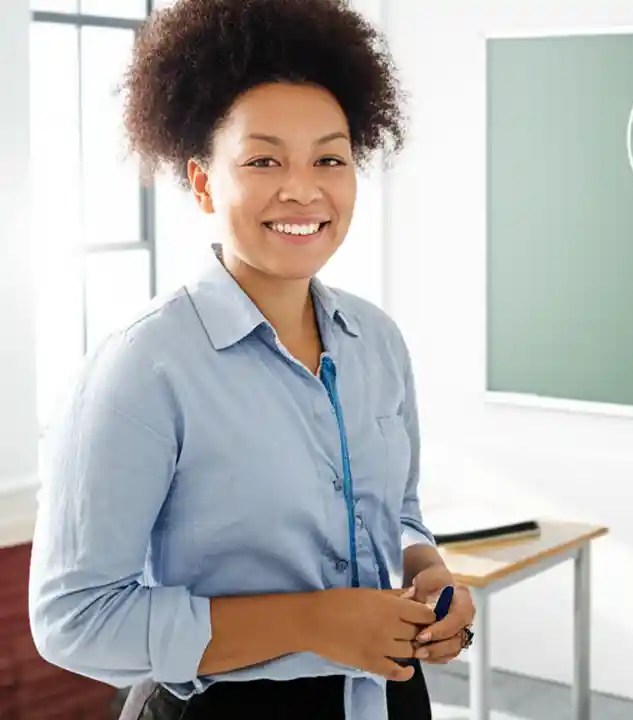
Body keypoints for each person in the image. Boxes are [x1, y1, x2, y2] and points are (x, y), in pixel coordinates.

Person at [26, 1, 475, 718]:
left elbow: (402, 514)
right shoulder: (142, 367)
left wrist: (428, 570)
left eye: (330, 158)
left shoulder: (376, 341)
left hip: (388, 695)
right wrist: (313, 621)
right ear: (204, 182)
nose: (303, 188)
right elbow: (73, 619)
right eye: (264, 160)